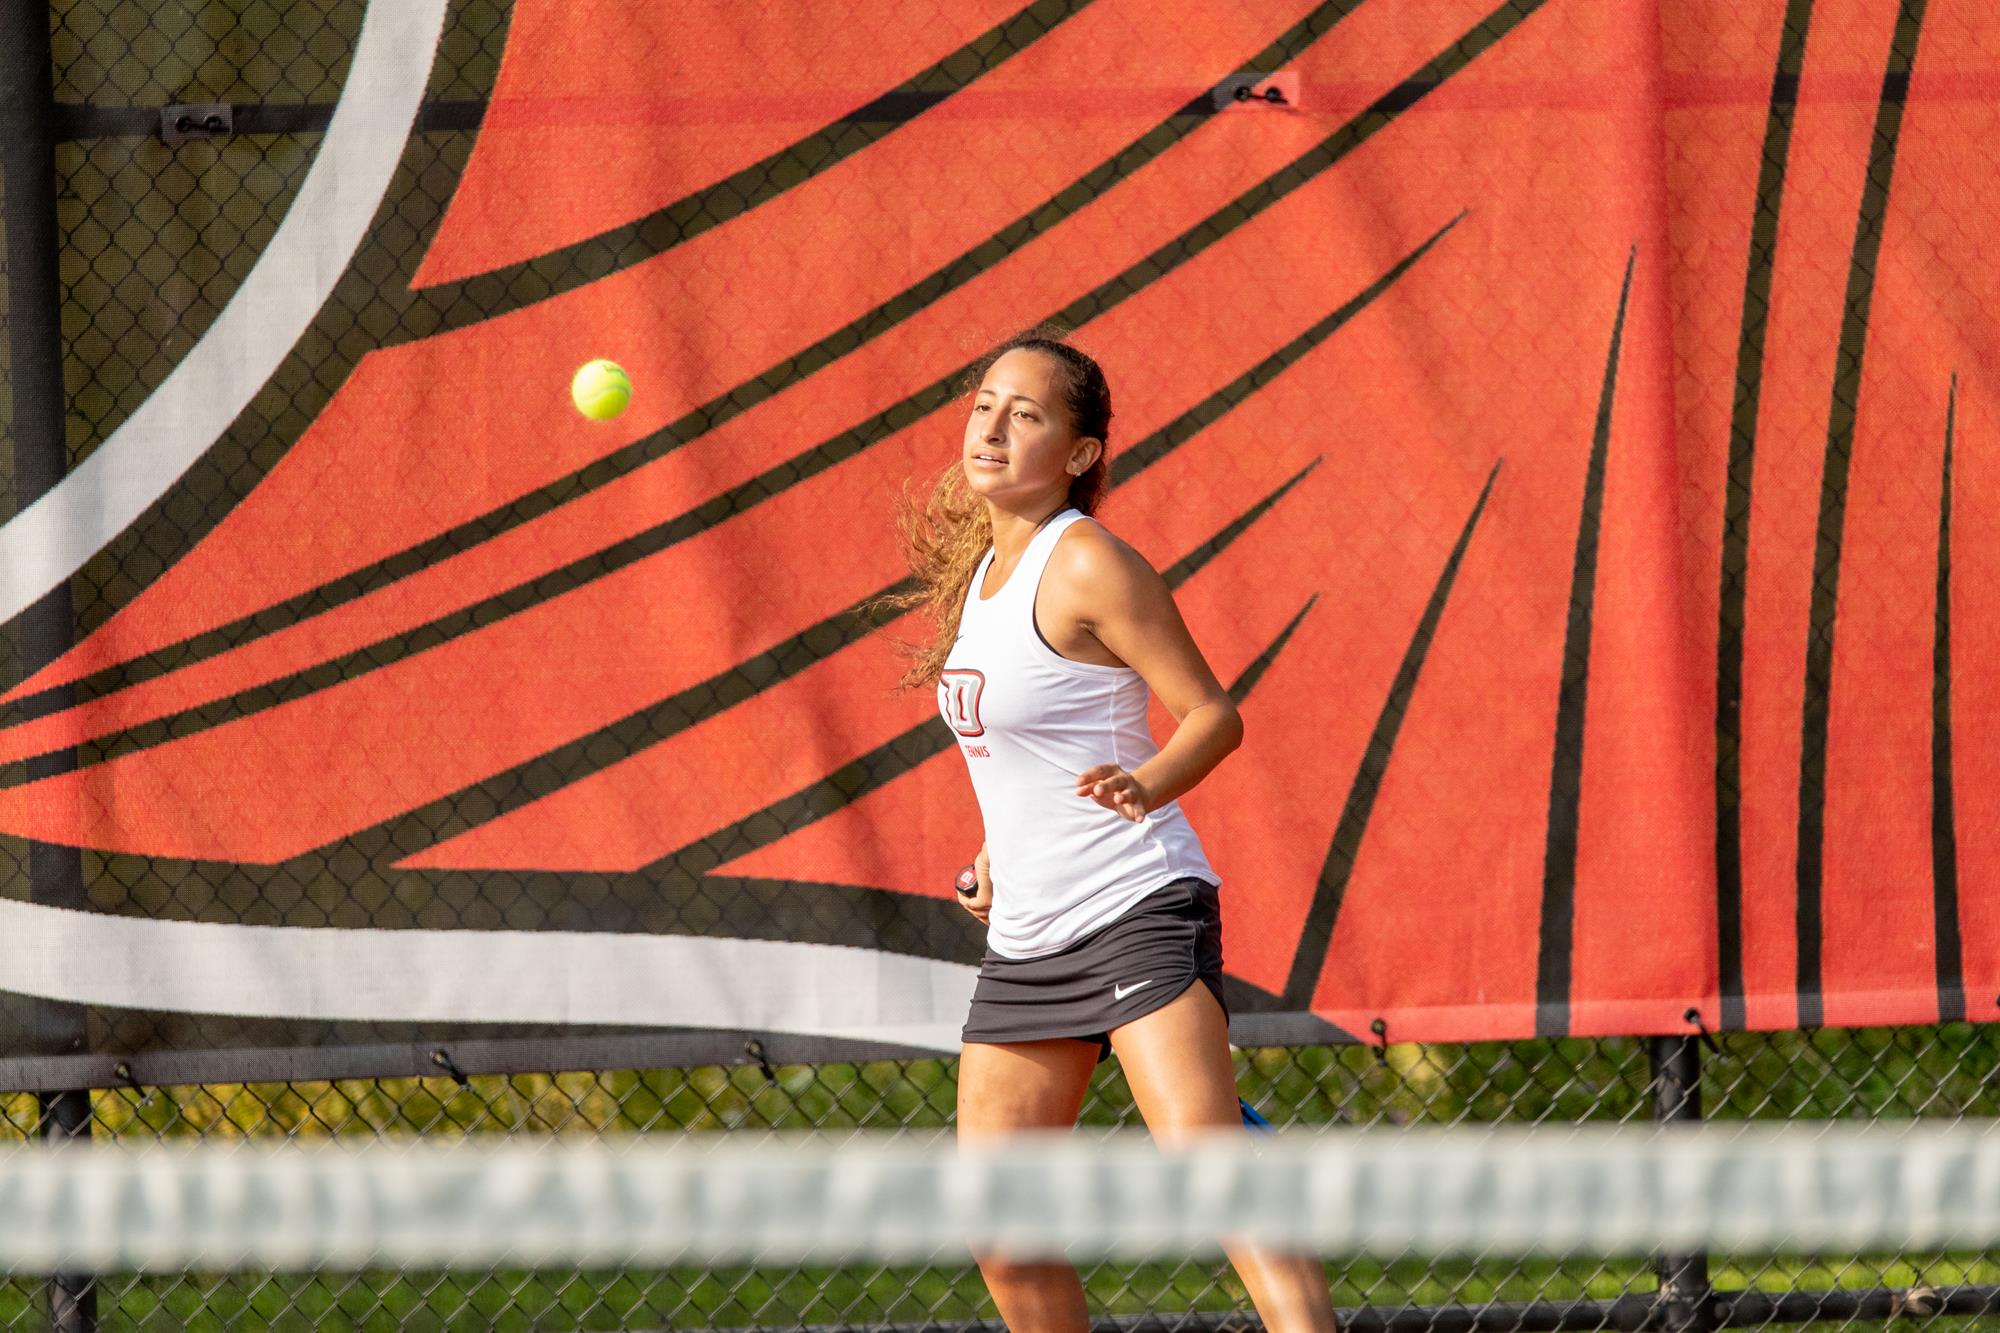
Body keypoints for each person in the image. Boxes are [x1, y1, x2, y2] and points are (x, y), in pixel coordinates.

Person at [884, 329, 1338, 1332]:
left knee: (1204, 1163)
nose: (992, 427)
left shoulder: (1084, 560)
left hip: (1134, 903)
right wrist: (997, 856)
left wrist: (1146, 781)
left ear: (1081, 452)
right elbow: (1030, 749)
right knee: (1001, 1232)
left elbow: (1211, 715)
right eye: (982, 405)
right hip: (1028, 938)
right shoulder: (979, 581)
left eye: (1026, 414)